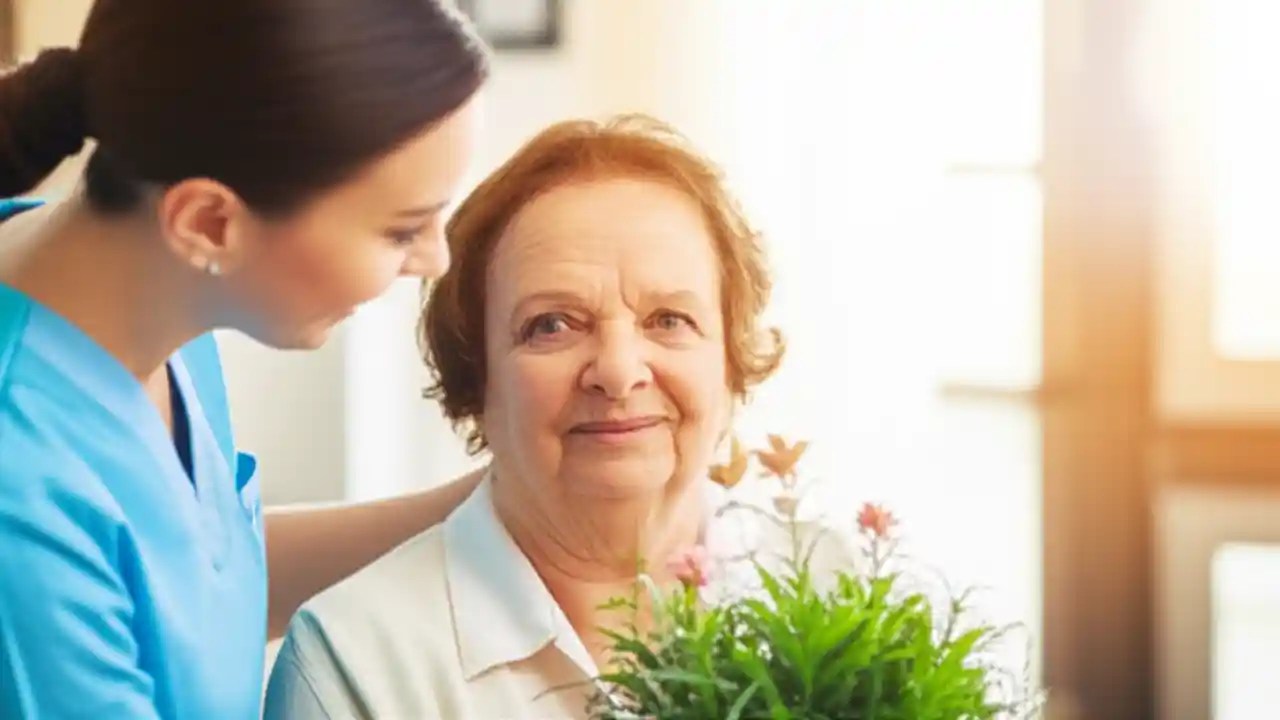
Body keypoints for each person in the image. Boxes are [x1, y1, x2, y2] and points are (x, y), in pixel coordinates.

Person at [263, 116, 852, 719]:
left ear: (731, 364)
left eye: (669, 320)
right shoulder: (357, 661)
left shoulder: (839, 587)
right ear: (476, 381)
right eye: (552, 325)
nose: (619, 372)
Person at [0, 1, 491, 717]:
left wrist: (493, 505)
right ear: (210, 222)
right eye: (402, 230)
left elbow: (195, 583)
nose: (434, 259)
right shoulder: (20, 490)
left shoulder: (154, 309)